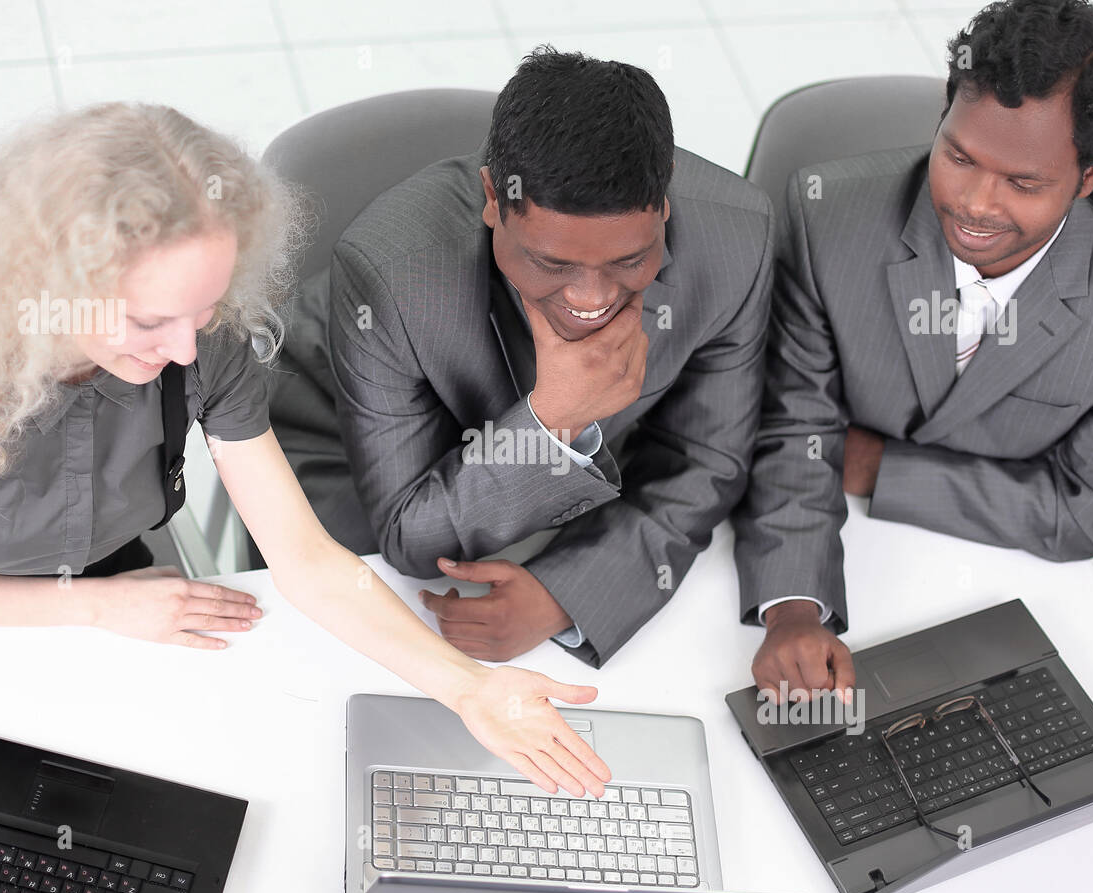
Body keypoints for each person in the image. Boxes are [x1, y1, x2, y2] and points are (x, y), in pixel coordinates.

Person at [0, 102, 611, 798]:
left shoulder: (199, 342)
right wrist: (92, 606)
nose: (185, 347)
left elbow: (305, 559)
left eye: (206, 308)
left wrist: (468, 688)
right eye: (150, 320)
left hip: (116, 586)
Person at [733, 0, 1093, 701]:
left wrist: (880, 467)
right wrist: (794, 608)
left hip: (995, 589)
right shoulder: (825, 218)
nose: (975, 204)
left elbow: (1088, 514)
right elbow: (791, 431)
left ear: (1089, 174)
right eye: (960, 156)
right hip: (829, 544)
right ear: (942, 114)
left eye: (1023, 183)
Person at [303, 47, 772, 669]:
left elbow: (705, 458)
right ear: (493, 198)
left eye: (629, 262)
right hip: (344, 445)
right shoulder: (389, 272)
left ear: (664, 206)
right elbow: (408, 537)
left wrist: (567, 591)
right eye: (551, 264)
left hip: (582, 497)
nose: (591, 300)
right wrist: (554, 420)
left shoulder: (742, 236)